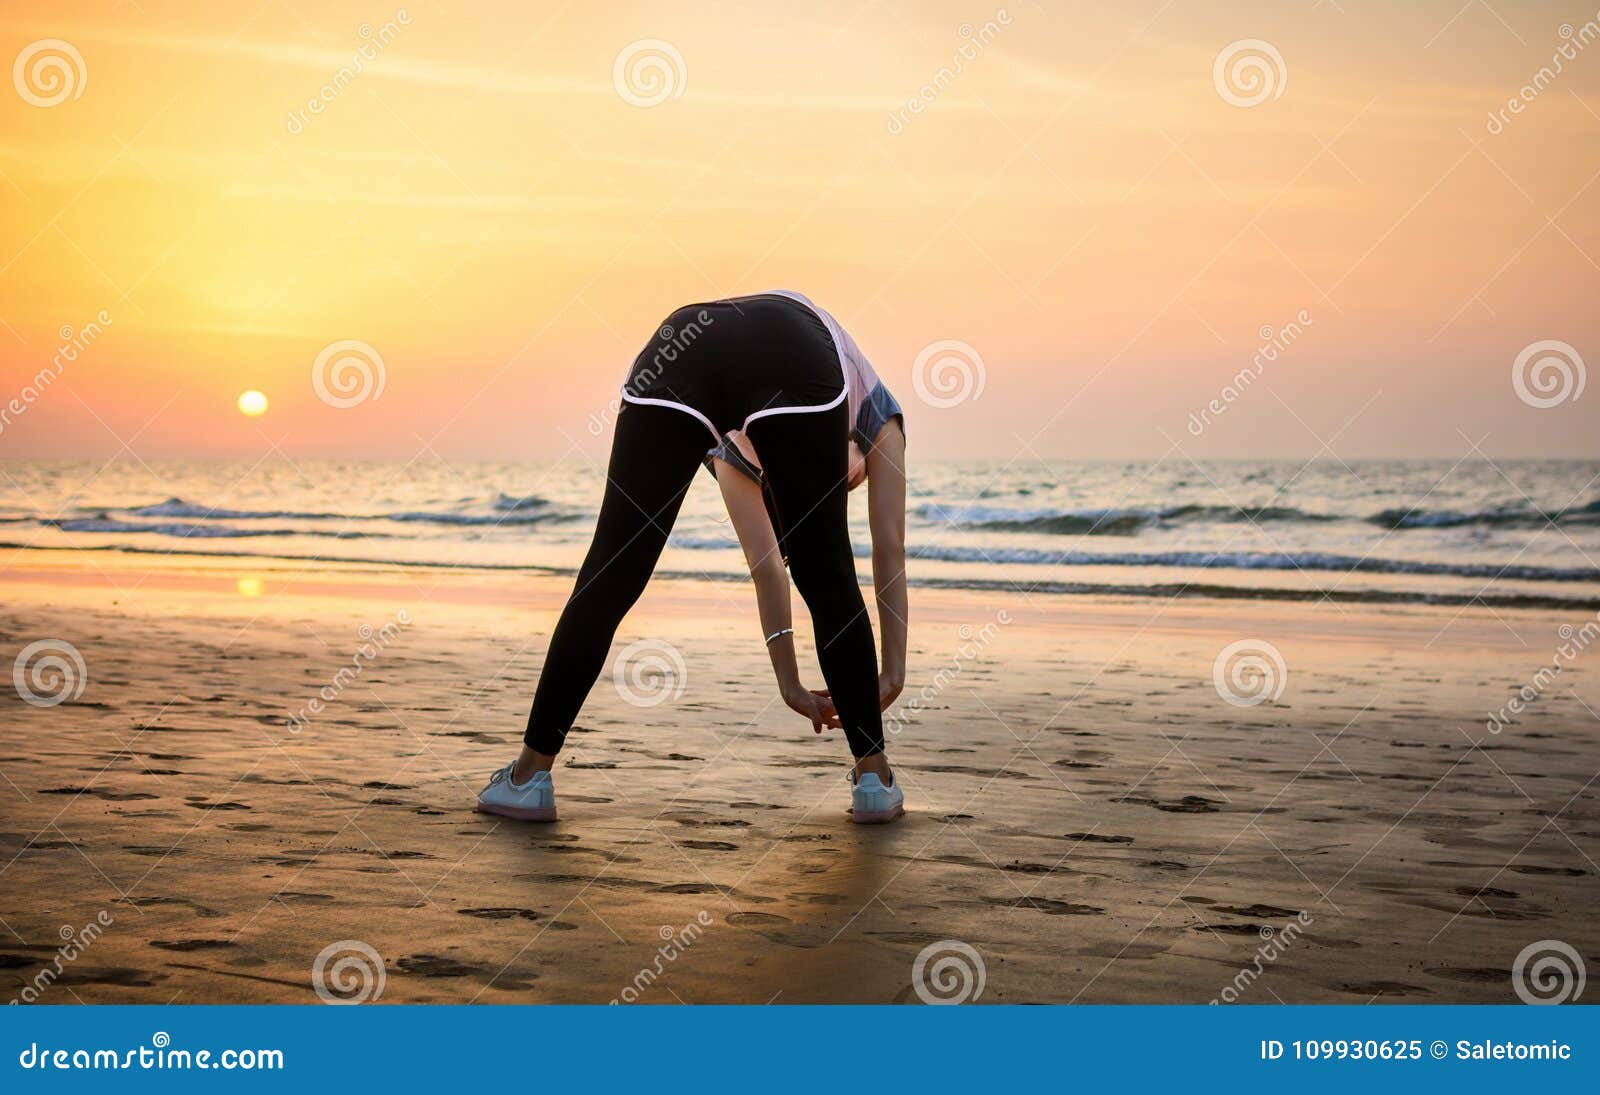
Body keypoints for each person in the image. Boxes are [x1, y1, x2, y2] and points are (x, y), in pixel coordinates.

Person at [477, 290, 908, 823]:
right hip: (793, 345)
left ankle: (527, 778)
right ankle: (873, 780)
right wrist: (889, 672)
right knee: (826, 571)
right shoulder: (877, 411)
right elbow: (886, 547)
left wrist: (796, 683)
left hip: (679, 344)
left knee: (612, 571)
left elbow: (771, 567)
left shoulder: (744, 450)